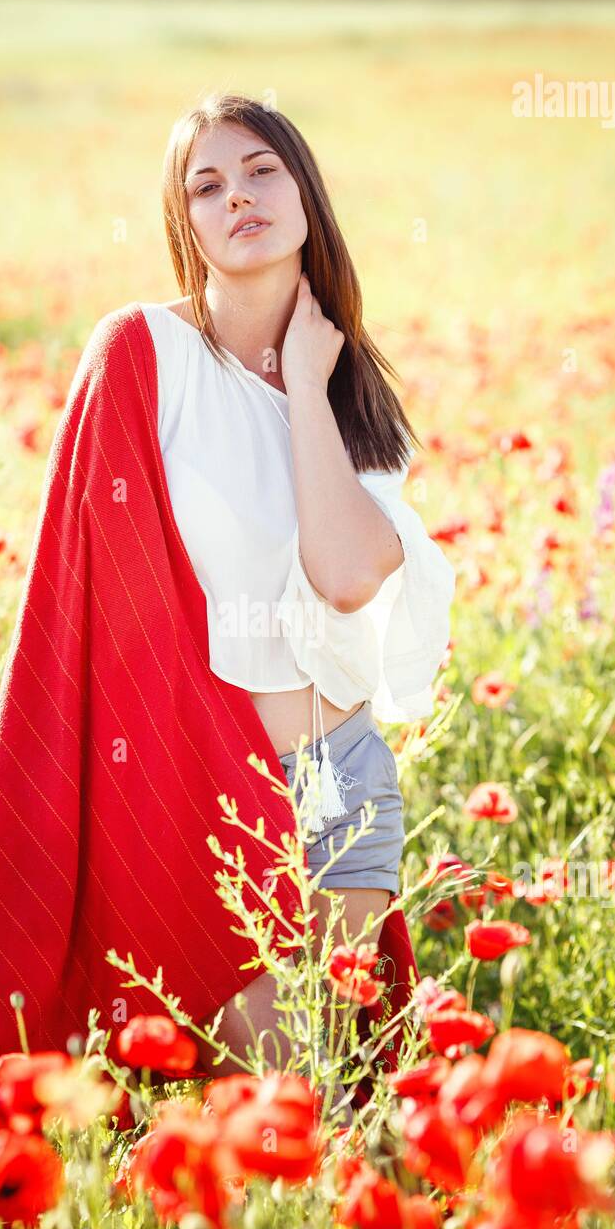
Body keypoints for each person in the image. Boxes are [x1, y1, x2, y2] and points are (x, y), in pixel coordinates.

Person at [144, 92, 457, 1081]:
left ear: (303, 194)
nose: (236, 196)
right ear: (183, 223)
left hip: (342, 782)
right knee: (248, 1076)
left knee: (328, 1092)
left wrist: (310, 391)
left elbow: (347, 570)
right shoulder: (148, 362)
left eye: (260, 171)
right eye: (207, 184)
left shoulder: (356, 396)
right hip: (211, 786)